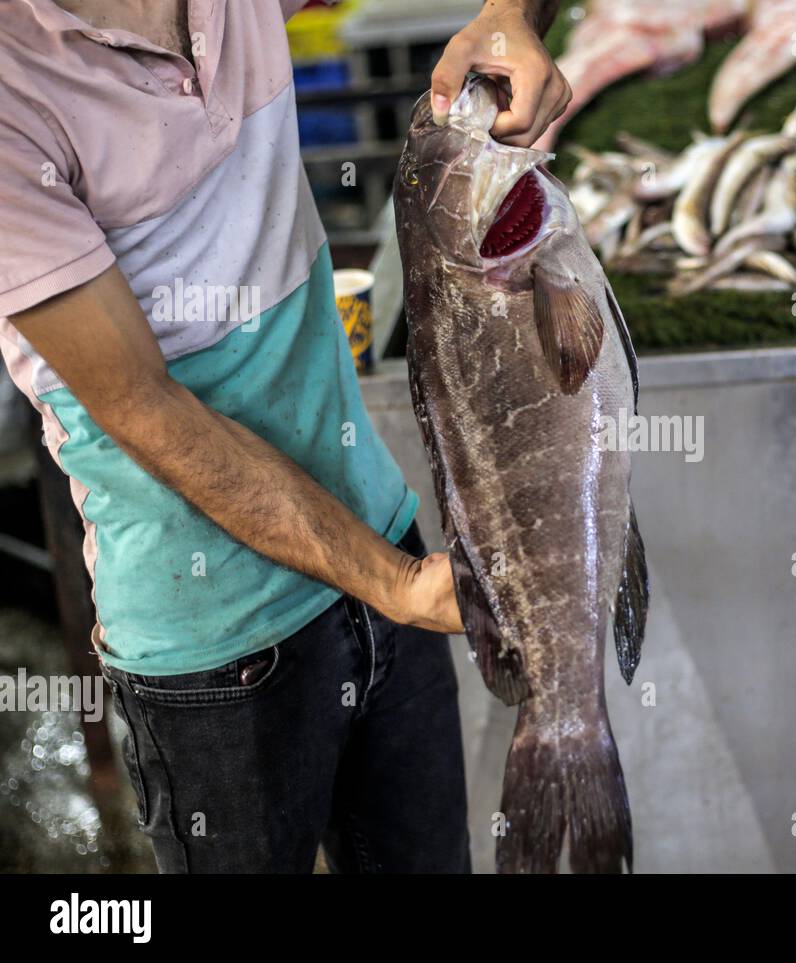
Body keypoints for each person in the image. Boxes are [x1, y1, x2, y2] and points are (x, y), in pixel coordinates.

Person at [0, 0, 569, 872]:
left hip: (381, 548)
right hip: (214, 652)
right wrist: (400, 584)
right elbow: (148, 409)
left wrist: (510, 17)